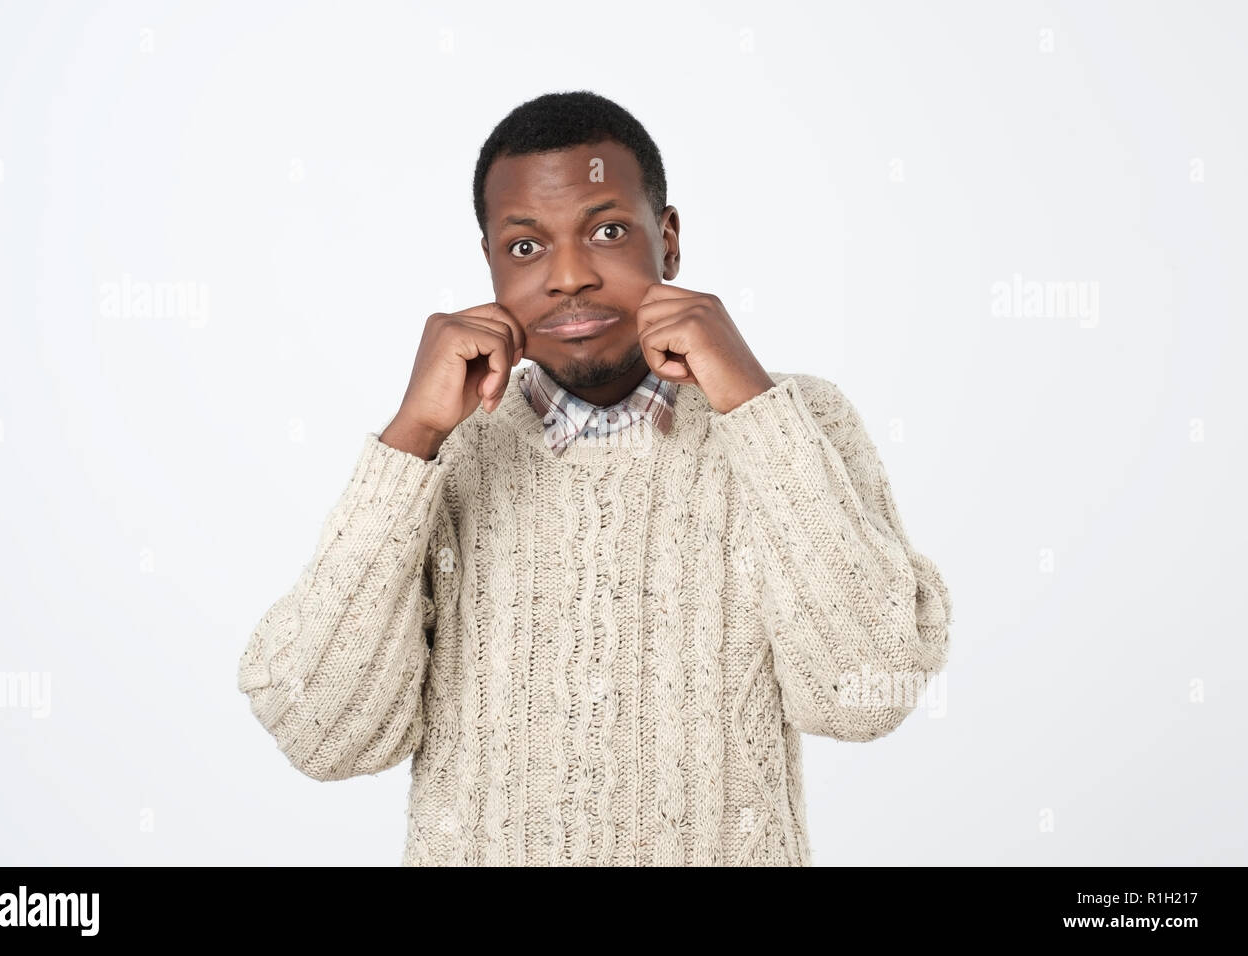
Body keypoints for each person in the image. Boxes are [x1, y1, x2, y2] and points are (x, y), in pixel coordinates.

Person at [236, 90, 953, 866]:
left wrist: (751, 402)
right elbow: (323, 735)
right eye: (525, 247)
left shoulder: (794, 420)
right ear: (488, 267)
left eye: (607, 231)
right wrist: (411, 439)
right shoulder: (442, 457)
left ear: (668, 241)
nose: (569, 276)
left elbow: (863, 694)